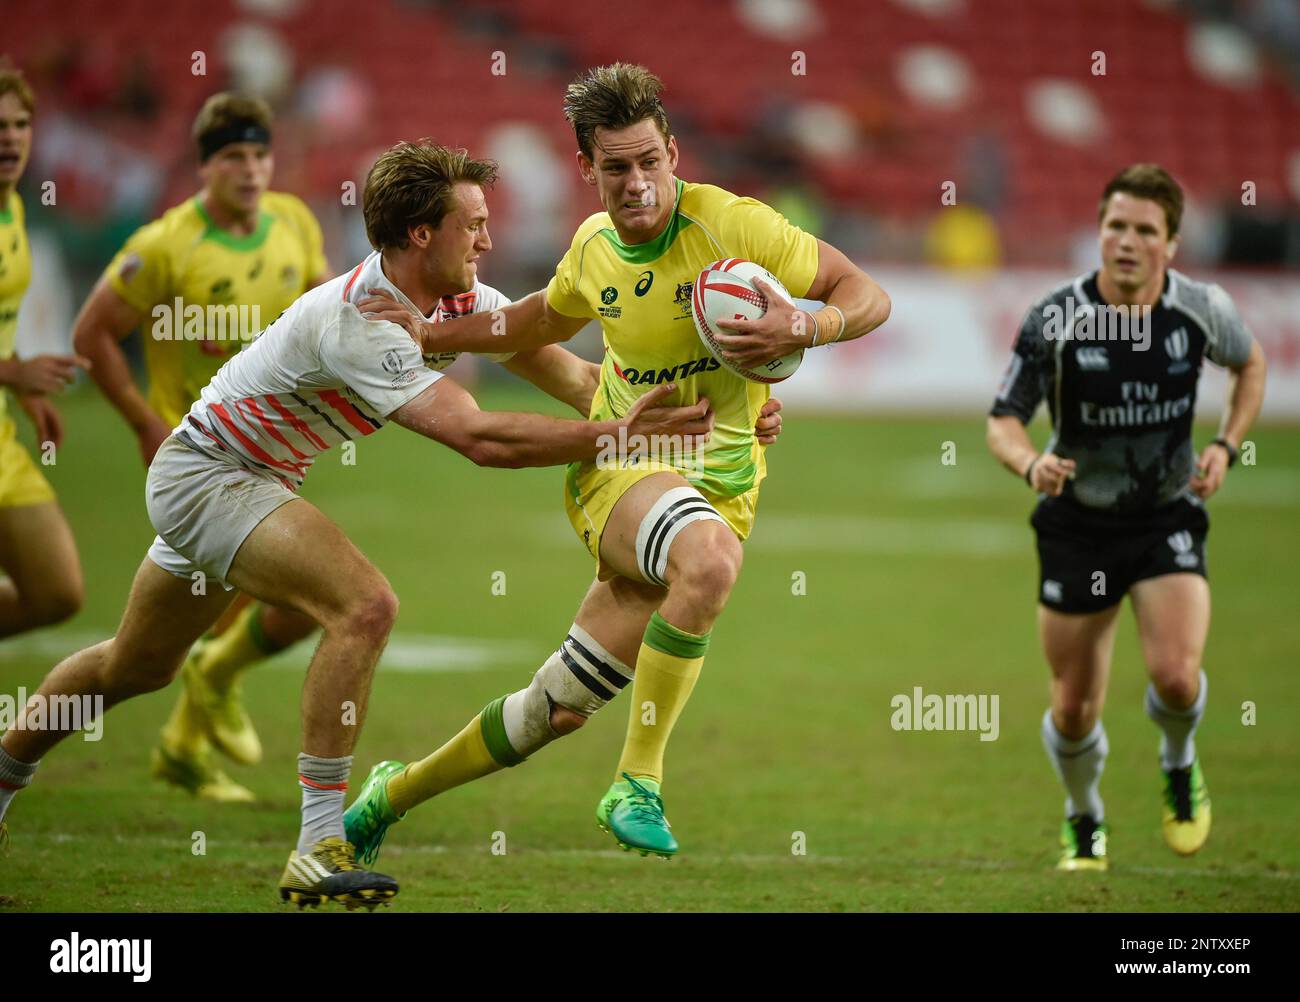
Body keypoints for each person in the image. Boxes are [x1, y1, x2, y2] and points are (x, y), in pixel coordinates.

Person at [0, 140, 712, 908]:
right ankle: (317, 846)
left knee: (134, 668)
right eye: (472, 223)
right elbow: (479, 439)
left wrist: (696, 421)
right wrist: (616, 438)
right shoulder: (363, 321)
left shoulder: (456, 298)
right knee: (365, 606)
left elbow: (576, 378)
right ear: (418, 235)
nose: (488, 239)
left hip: (233, 475)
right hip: (212, 477)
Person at [346, 63, 891, 860]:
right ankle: (639, 780)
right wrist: (431, 335)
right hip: (624, 468)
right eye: (616, 167)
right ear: (588, 170)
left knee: (555, 708)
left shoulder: (733, 225)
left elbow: (864, 291)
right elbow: (535, 321)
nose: (636, 183)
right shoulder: (593, 248)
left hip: (727, 481)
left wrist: (809, 328)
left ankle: (388, 795)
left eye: (649, 162)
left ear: (673, 153)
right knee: (707, 563)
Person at [985, 163, 1266, 871]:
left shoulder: (1201, 309)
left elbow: (1251, 363)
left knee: (1176, 676)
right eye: (1116, 225)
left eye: (1146, 230)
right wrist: (1029, 465)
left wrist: (1228, 446)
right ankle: (1085, 816)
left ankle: (1178, 763)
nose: (1127, 241)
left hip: (1166, 516)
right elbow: (1002, 422)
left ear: (1171, 243)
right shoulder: (1056, 318)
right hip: (1077, 526)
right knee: (1075, 707)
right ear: (1099, 231)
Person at [73, 93, 328, 802]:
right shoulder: (163, 246)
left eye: (259, 154)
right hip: (200, 462)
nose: (250, 170)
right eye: (233, 157)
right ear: (204, 167)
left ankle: (186, 736)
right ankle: (200, 701)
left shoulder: (295, 223)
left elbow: (324, 318)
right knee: (290, 598)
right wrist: (142, 423)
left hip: (274, 453)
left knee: (262, 604)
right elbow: (91, 335)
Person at [0, 62, 87, 644]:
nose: (11, 137)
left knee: (56, 591)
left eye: (21, 123)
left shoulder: (15, 206)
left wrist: (23, 385)